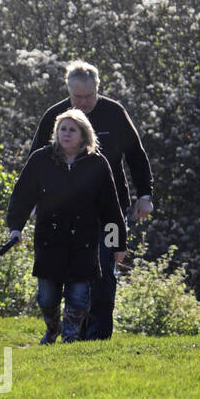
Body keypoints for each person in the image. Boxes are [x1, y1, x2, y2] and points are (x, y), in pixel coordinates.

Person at [28, 61, 153, 339]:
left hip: (110, 209)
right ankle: (71, 331)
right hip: (64, 213)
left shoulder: (114, 114)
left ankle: (96, 336)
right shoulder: (55, 117)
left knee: (104, 271)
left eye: (88, 97)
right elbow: (35, 163)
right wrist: (34, 202)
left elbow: (136, 155)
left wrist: (145, 195)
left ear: (97, 89)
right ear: (68, 91)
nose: (82, 103)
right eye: (76, 97)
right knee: (72, 272)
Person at [7, 110, 127, 344]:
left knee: (79, 297)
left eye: (72, 130)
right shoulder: (40, 160)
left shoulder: (97, 164)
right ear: (56, 133)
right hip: (49, 240)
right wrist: (15, 228)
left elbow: (110, 207)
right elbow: (22, 196)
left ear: (84, 135)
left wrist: (117, 244)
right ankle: (53, 328)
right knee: (47, 298)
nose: (66, 134)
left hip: (84, 242)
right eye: (62, 129)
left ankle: (70, 338)